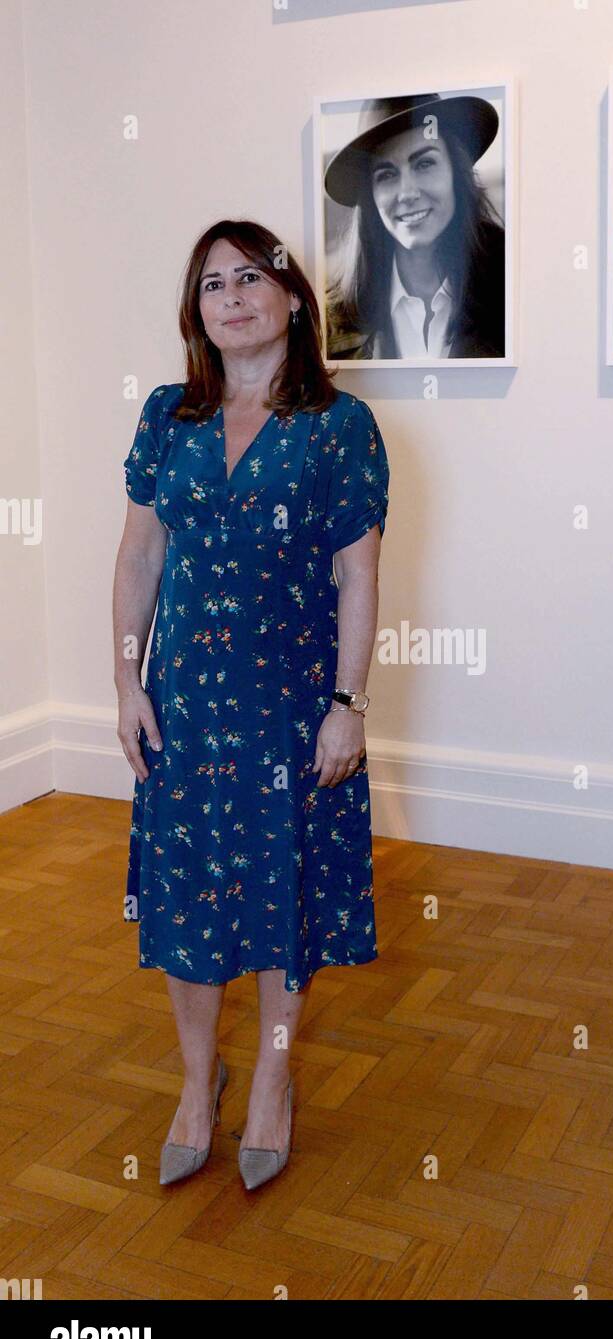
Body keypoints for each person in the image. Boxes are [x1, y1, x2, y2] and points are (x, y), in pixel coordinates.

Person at [112, 219, 389, 1190]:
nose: (229, 297)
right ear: (197, 311)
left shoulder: (338, 426)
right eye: (210, 284)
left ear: (292, 297)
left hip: (289, 705)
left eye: (248, 278)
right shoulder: (166, 416)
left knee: (283, 902)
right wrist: (124, 678)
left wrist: (348, 702)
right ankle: (198, 1083)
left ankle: (272, 1079)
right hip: (183, 705)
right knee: (187, 902)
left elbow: (359, 577)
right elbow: (142, 555)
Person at [324, 92, 505, 359]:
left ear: (457, 173)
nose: (407, 193)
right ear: (371, 197)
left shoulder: (510, 293)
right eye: (386, 174)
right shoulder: (334, 326)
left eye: (424, 164)